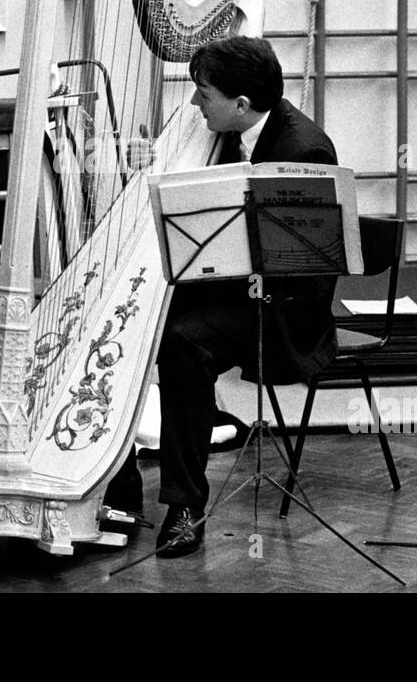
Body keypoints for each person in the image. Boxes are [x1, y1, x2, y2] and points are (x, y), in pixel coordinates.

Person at [107, 35, 339, 557]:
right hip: (239, 291)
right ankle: (117, 483)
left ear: (239, 104)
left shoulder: (305, 151)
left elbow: (309, 274)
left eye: (203, 94)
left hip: (285, 314)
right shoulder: (231, 128)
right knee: (131, 320)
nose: (194, 104)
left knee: (181, 341)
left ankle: (185, 506)